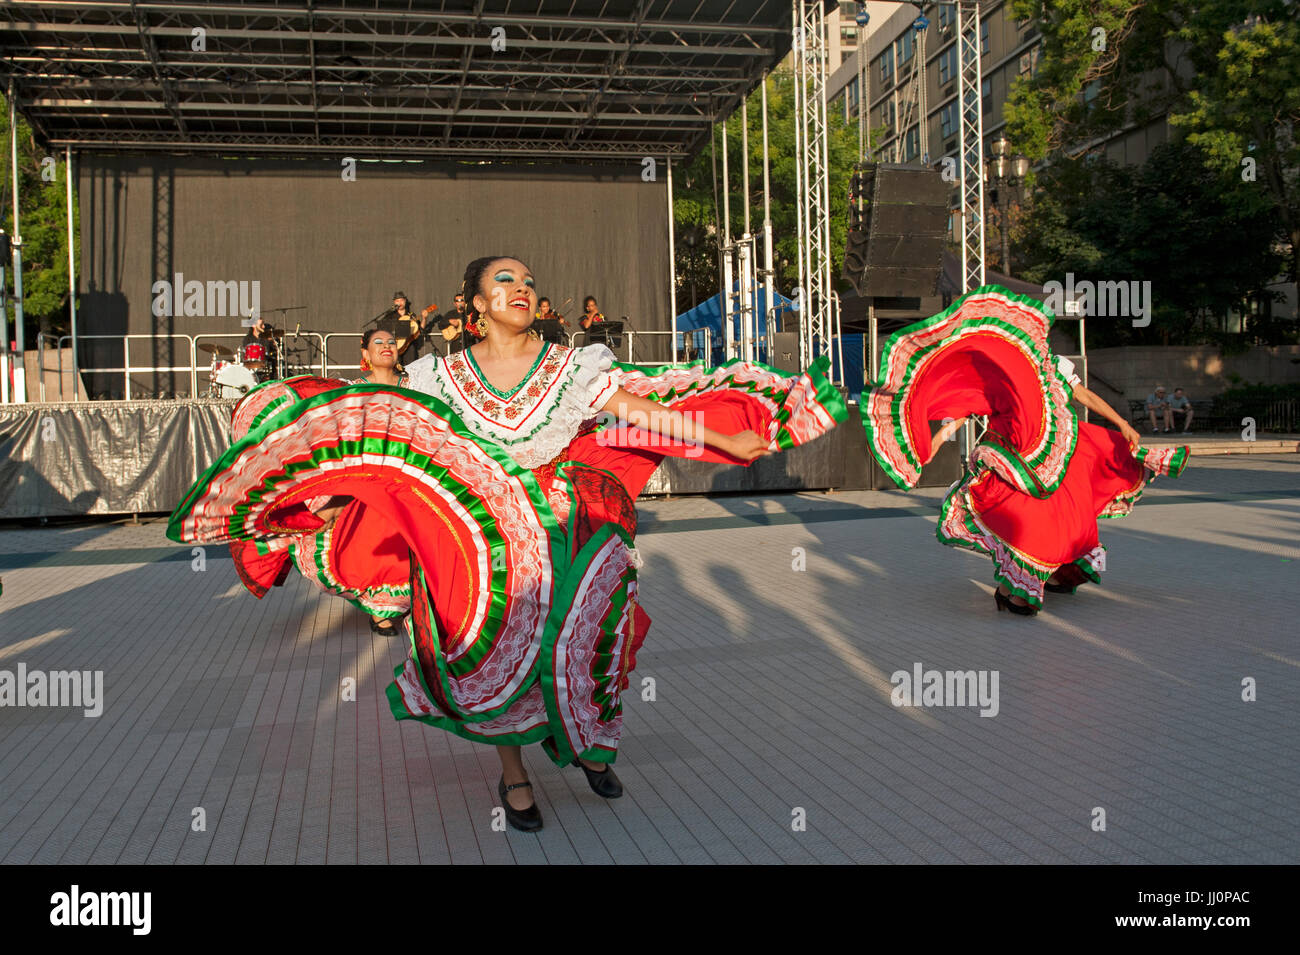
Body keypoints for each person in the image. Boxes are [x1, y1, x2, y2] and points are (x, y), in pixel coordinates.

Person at [169, 254, 847, 833]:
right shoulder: (438, 377)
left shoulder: (577, 364)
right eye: (503, 279)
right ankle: (515, 776)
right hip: (482, 544)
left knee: (591, 640)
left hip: (564, 526)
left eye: (526, 277)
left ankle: (587, 742)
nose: (520, 286)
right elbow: (390, 430)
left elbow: (640, 406)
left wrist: (724, 436)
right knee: (482, 652)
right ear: (474, 305)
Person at [863, 286, 1189, 616]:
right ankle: (1013, 588)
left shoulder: (1057, 366)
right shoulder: (1007, 365)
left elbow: (1084, 396)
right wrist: (940, 435)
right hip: (1014, 457)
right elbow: (973, 403)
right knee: (1025, 520)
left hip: (1062, 458)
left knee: (1070, 521)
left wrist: (1121, 422)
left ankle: (1048, 576)